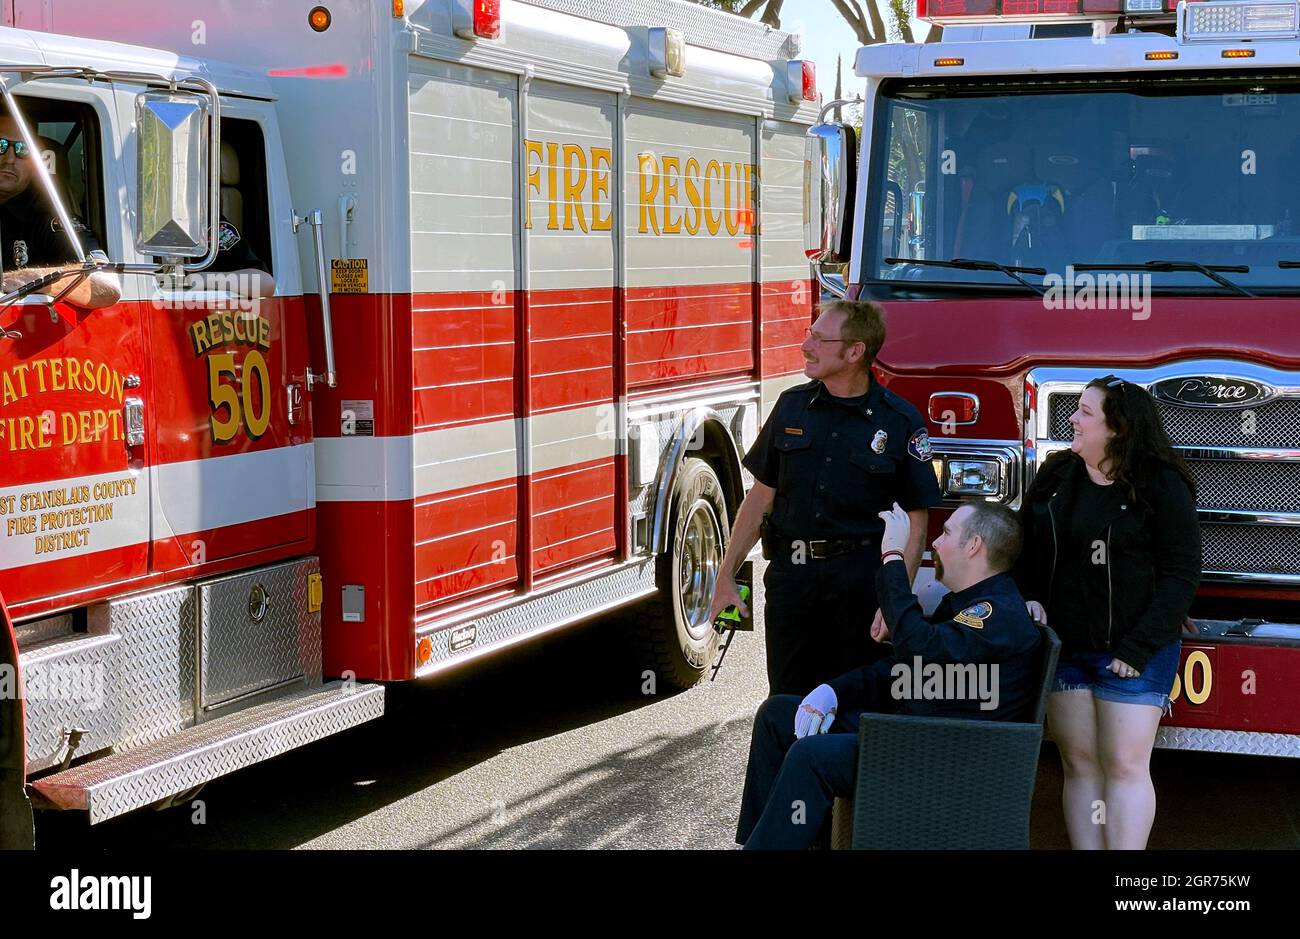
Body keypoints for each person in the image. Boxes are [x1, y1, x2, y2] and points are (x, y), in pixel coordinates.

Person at [736, 501, 1043, 850]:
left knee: (811, 756)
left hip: (943, 756)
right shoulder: (969, 602)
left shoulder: (994, 612)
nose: (935, 544)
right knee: (778, 716)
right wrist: (832, 693)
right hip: (912, 733)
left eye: (945, 534)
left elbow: (919, 648)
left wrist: (893, 557)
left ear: (973, 546)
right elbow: (905, 668)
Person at [709, 299, 942, 697]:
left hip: (861, 586)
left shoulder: (899, 421)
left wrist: (894, 602)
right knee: (786, 703)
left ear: (854, 352)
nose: (806, 346)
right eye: (809, 334)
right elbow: (760, 498)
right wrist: (725, 576)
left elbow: (915, 522)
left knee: (852, 705)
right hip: (792, 584)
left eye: (819, 338)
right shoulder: (791, 406)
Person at [1014, 375, 1200, 850]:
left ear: (1116, 429)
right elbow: (1023, 547)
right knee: (1079, 763)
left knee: (1124, 765)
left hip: (1134, 650)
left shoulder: (1162, 484)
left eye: (1086, 413)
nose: (1073, 419)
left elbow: (1181, 575)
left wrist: (1137, 649)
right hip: (1067, 648)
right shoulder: (1057, 474)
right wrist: (1028, 595)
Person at [0, 115, 120, 310]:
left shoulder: (45, 217)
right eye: (1, 145)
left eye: (24, 149)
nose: (10, 158)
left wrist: (16, 281)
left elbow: (106, 285)